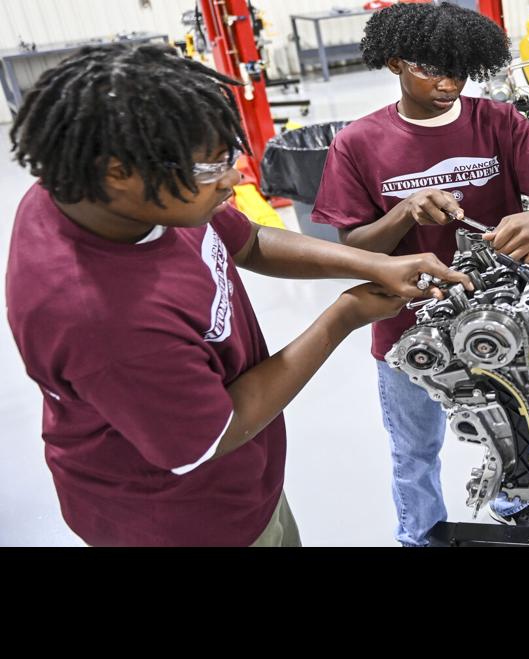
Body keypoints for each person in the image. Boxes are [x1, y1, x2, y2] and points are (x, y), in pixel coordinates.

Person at [5, 43, 470, 546]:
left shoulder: (124, 197)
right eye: (209, 168)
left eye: (227, 156)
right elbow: (214, 433)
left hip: (243, 481)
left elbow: (246, 239)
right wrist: (345, 314)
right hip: (184, 521)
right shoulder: (96, 316)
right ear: (117, 171)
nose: (233, 178)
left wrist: (375, 262)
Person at [311, 0, 529, 545]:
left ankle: (514, 501)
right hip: (407, 325)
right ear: (394, 63)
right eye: (429, 68)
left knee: (518, 430)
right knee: (415, 448)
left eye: (458, 68)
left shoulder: (498, 121)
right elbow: (354, 246)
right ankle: (419, 532)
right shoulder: (358, 143)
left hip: (501, 321)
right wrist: (406, 208)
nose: (447, 82)